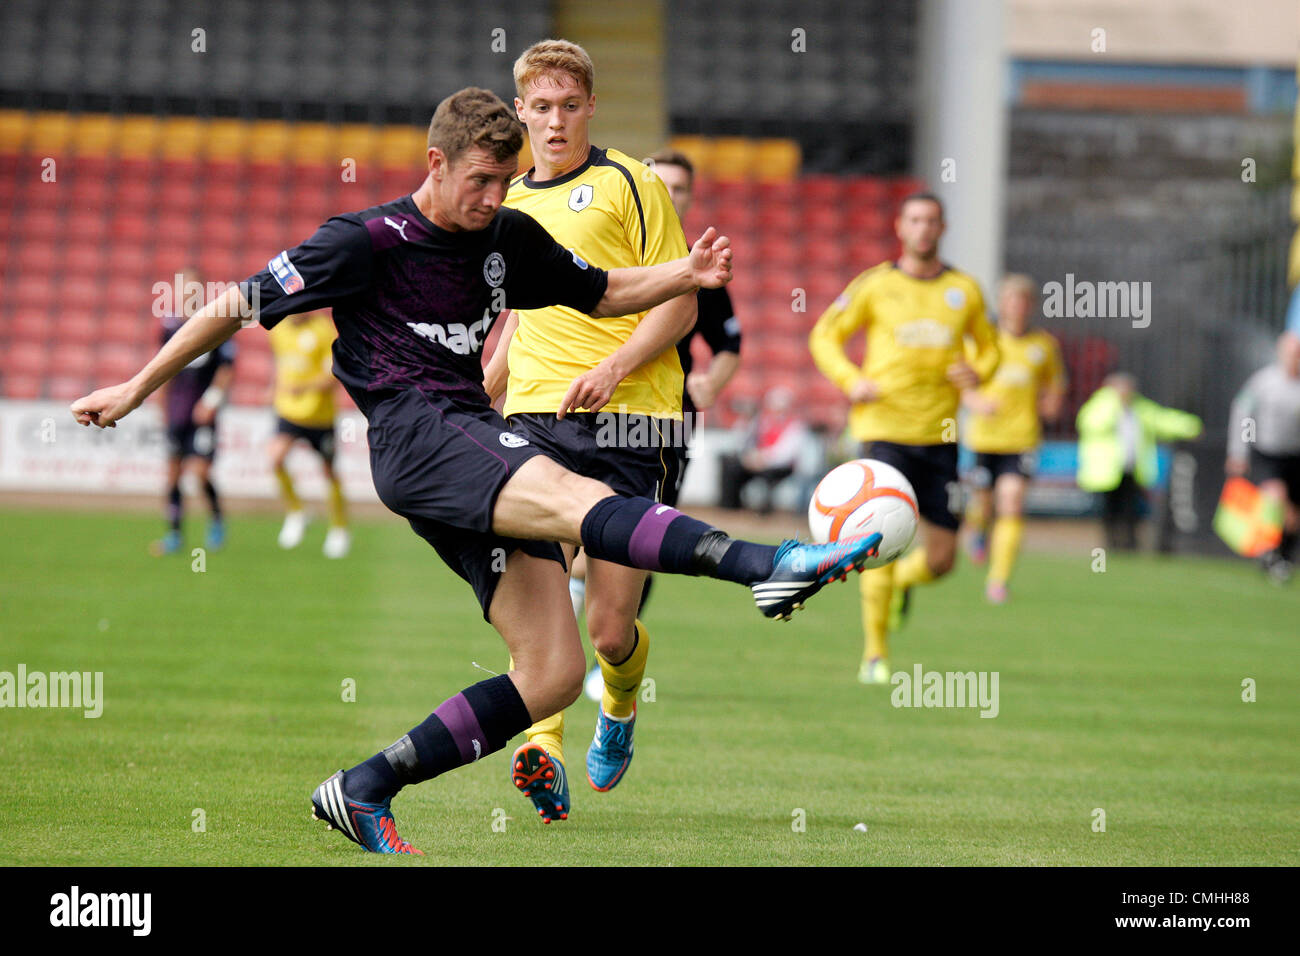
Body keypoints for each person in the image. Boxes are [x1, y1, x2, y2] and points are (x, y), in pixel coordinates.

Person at [72, 87, 880, 855]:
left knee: (556, 673)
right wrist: (138, 388)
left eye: (504, 179)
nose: (495, 196)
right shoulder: (364, 241)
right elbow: (236, 303)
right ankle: (766, 566)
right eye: (481, 180)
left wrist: (686, 276)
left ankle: (364, 787)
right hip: (418, 437)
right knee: (579, 497)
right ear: (435, 162)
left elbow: (598, 292)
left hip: (464, 438)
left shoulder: (505, 238)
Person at [481, 41, 695, 817]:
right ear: (520, 114)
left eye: (569, 105)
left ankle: (622, 704)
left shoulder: (630, 184)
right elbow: (516, 322)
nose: (555, 121)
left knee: (608, 629)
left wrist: (614, 368)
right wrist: (476, 400)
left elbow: (681, 298)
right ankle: (543, 748)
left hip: (632, 422)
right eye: (540, 108)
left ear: (591, 108)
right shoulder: (504, 201)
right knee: (541, 605)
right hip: (534, 419)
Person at [809, 193, 999, 685]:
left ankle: (902, 586)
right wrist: (853, 381)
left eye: (932, 220)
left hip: (941, 435)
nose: (923, 228)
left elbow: (993, 348)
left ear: (943, 227)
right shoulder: (876, 285)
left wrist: (976, 371)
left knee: (941, 561)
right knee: (875, 543)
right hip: (883, 432)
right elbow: (825, 336)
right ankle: (875, 654)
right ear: (900, 226)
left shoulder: (964, 290)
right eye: (915, 219)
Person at [961, 274, 1065, 603]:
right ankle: (977, 530)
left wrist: (1052, 403)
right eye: (1011, 300)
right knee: (983, 503)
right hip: (984, 438)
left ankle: (998, 579)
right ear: (1002, 304)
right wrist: (976, 401)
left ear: (1030, 306)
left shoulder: (1043, 345)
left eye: (1023, 301)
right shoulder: (985, 340)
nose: (1017, 307)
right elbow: (962, 384)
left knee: (1012, 502)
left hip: (1021, 439)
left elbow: (1055, 383)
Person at [154, 266, 234, 556]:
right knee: (173, 474)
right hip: (177, 412)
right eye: (184, 289)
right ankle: (174, 535)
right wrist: (160, 405)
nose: (188, 294)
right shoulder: (169, 326)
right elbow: (160, 368)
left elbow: (226, 369)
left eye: (193, 289)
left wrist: (211, 400)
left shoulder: (217, 323)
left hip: (202, 414)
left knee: (200, 473)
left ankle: (216, 521)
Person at [1076, 372, 1203, 550]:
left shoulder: (1139, 408)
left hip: (1132, 469)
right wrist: (1114, 404)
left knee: (1131, 509)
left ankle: (1129, 545)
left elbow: (1162, 420)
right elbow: (1092, 424)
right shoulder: (1100, 406)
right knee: (1110, 510)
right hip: (1107, 471)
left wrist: (1191, 426)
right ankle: (1112, 545)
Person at [267, 309, 350, 558]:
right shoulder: (279, 328)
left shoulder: (323, 330)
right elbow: (281, 364)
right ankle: (296, 512)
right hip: (288, 412)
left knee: (328, 472)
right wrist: (273, 388)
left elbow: (333, 374)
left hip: (320, 416)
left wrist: (304, 386)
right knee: (275, 458)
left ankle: (339, 528)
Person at [1226, 331, 1300, 581]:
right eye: (1291, 353)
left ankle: (1282, 557)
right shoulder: (1264, 381)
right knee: (1276, 499)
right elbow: (1244, 412)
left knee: (1292, 516)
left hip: (1295, 455)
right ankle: (1268, 551)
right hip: (1267, 452)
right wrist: (1240, 450)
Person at [718, 386, 808, 514]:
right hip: (758, 460)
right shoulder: (762, 421)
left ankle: (764, 512)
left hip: (778, 466)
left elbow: (786, 454)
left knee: (768, 475)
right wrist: (746, 420)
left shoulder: (794, 426)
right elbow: (742, 440)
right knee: (731, 465)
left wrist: (762, 458)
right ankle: (730, 507)